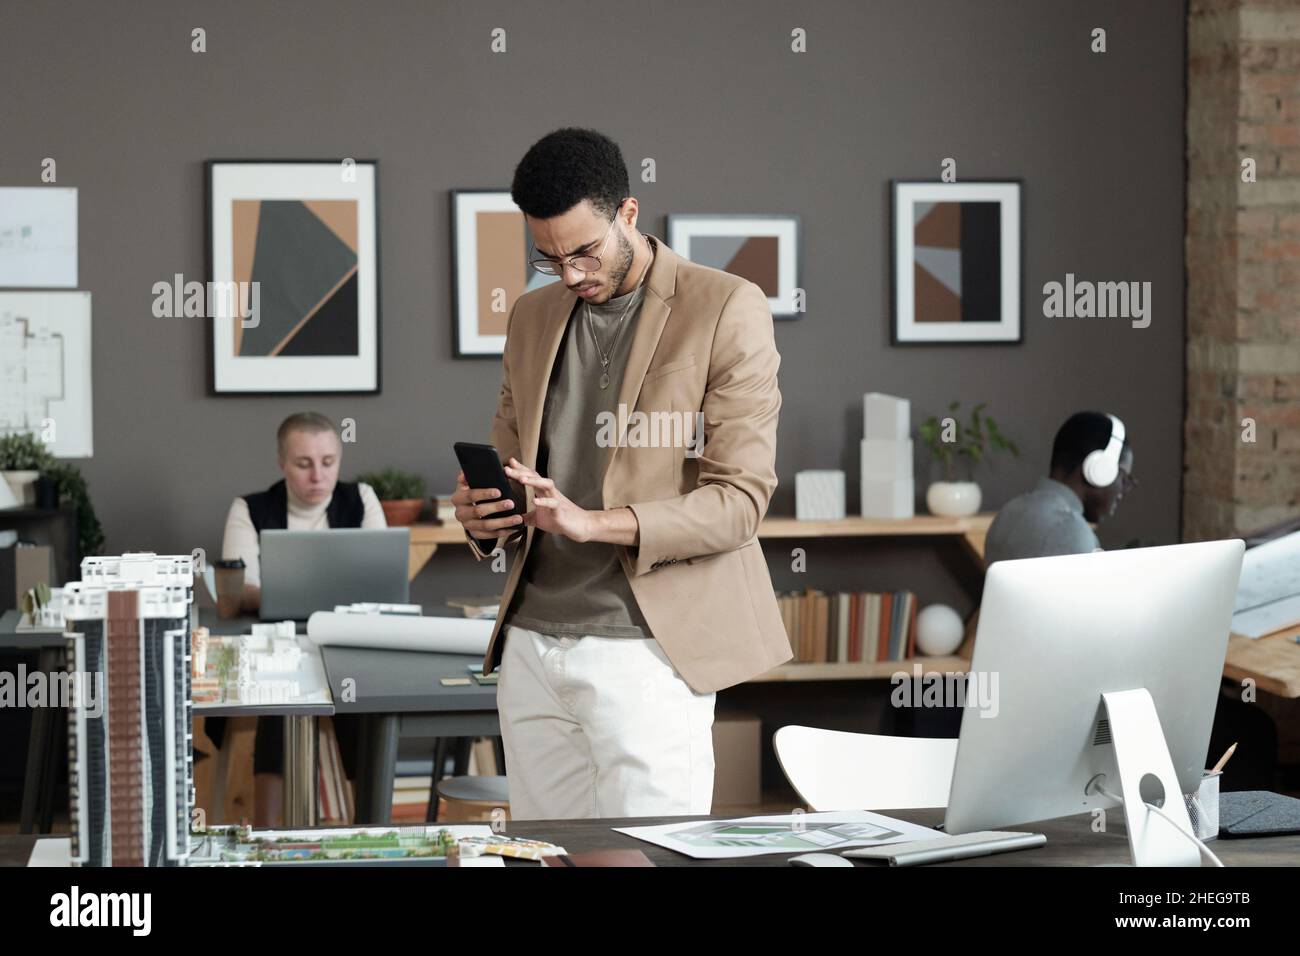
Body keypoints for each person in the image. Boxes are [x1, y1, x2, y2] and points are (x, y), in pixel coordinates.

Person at [452, 127, 791, 819]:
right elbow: (513, 466)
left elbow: (739, 502)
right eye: (549, 259)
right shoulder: (531, 316)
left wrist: (591, 522)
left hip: (648, 649)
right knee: (546, 859)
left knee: (647, 857)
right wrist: (481, 517)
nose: (571, 275)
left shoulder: (726, 306)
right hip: (532, 644)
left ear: (628, 215)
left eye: (585, 252)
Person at [208, 412, 386, 825]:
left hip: (346, 642)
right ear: (282, 463)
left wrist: (285, 591)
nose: (317, 475)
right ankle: (270, 834)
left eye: (328, 462)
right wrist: (333, 592)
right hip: (276, 645)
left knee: (358, 695)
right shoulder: (250, 508)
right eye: (303, 463)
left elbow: (381, 580)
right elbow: (239, 592)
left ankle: (369, 829)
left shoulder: (362, 499)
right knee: (281, 694)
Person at [984, 411, 1134, 568]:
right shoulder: (1071, 531)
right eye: (1124, 478)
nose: (1124, 490)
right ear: (1100, 470)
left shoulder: (1008, 512)